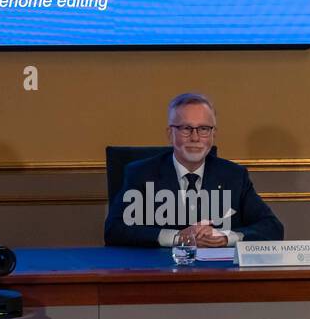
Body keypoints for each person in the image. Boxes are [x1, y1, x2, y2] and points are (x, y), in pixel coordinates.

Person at [103, 92, 283, 248]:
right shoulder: (141, 174)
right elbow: (114, 229)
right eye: (186, 129)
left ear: (213, 135)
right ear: (170, 134)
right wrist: (176, 238)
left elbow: (272, 227)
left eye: (204, 129)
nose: (195, 137)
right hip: (159, 275)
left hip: (218, 278)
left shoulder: (234, 176)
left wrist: (226, 237)